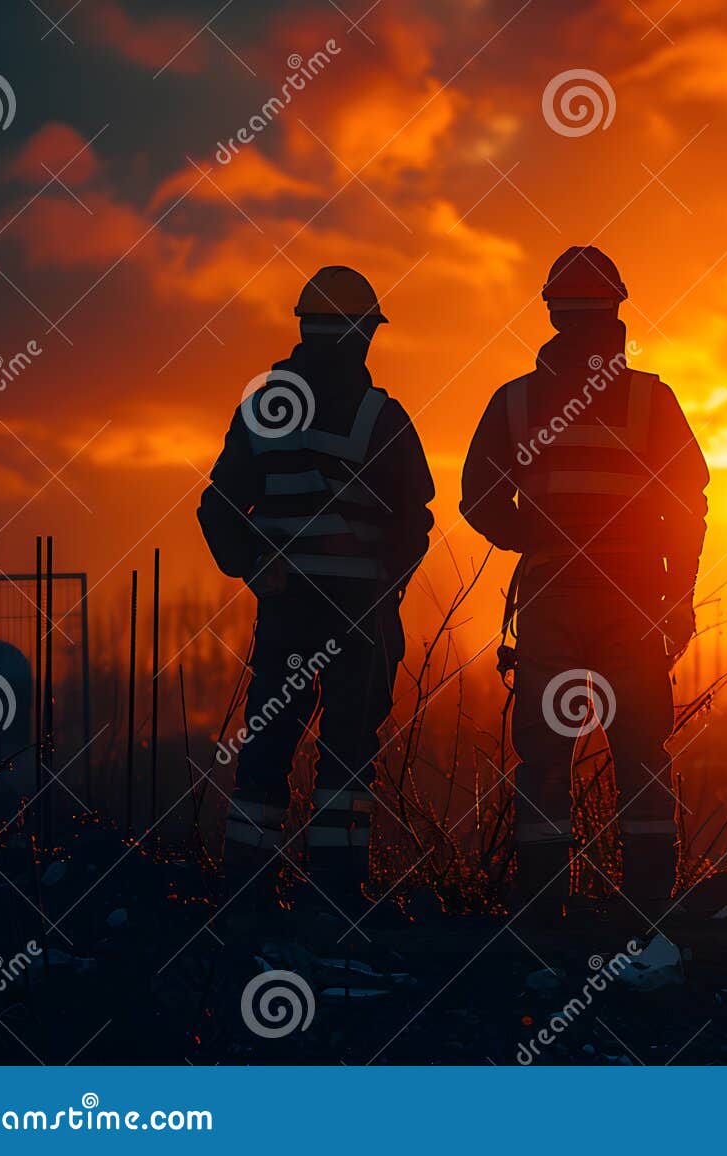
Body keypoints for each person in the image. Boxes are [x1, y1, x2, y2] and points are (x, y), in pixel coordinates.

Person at [461, 246, 708, 931]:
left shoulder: (515, 402)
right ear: (616, 313)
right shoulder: (651, 400)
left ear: (552, 314)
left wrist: (536, 538)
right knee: (642, 753)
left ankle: (544, 912)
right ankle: (647, 909)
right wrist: (676, 594)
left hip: (552, 600)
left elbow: (478, 497)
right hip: (634, 601)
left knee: (545, 753)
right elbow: (689, 505)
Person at [198, 265, 434, 897]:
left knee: (268, 743)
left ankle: (247, 888)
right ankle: (336, 893)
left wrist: (257, 569)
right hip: (358, 616)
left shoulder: (261, 411)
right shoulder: (380, 417)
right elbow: (415, 521)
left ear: (305, 329)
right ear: (363, 334)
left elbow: (218, 509)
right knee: (347, 755)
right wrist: (386, 590)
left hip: (289, 612)